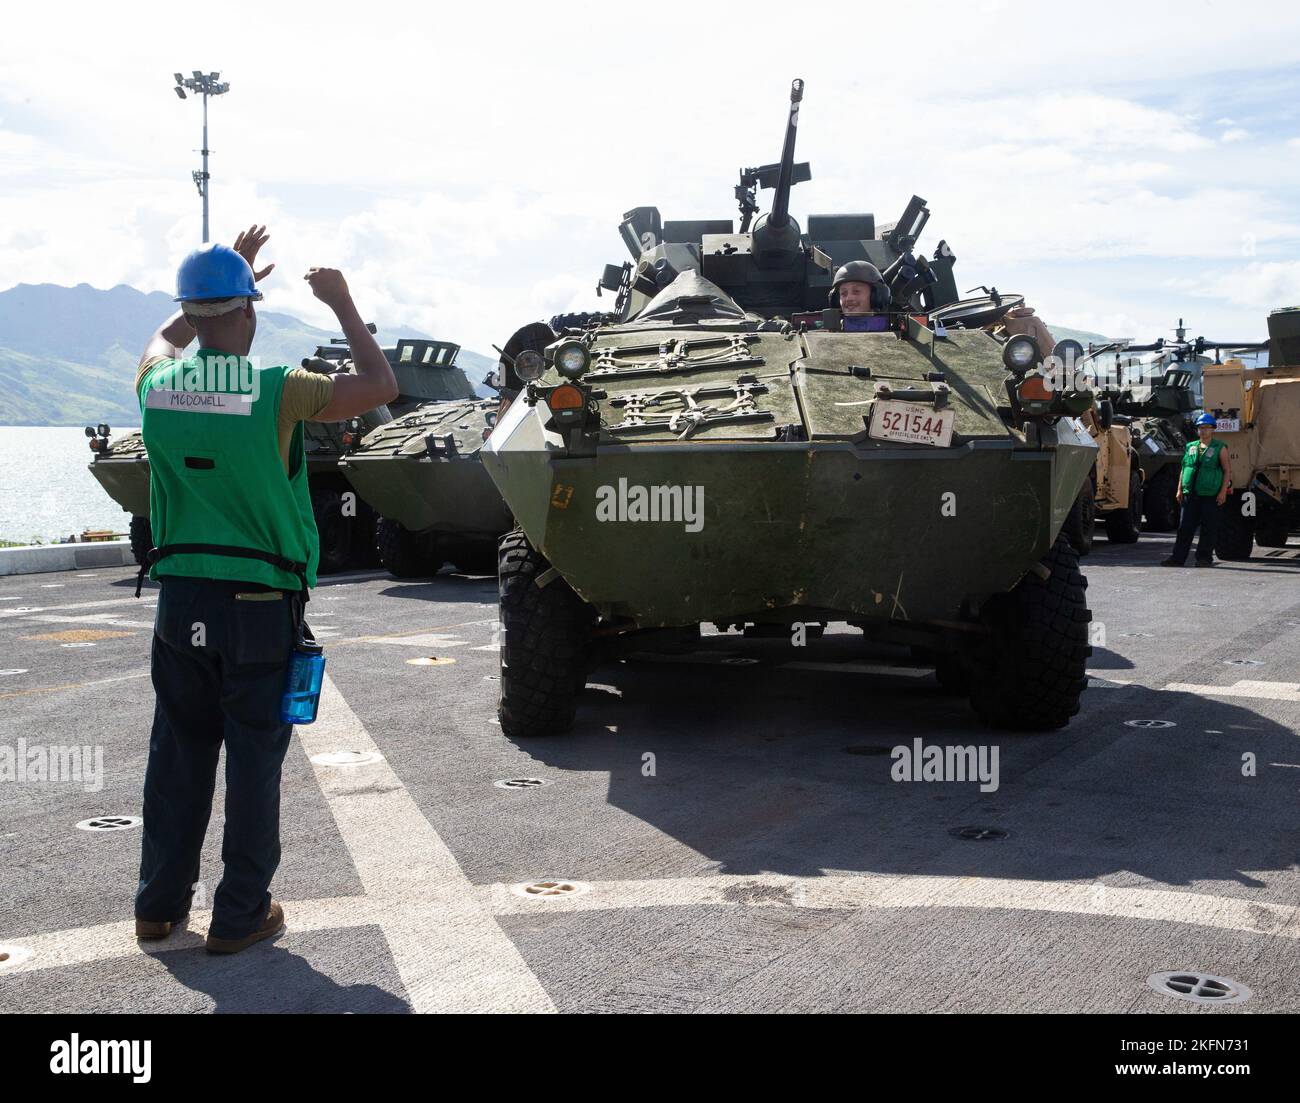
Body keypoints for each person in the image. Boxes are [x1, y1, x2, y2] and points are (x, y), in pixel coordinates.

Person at [133, 225, 398, 954]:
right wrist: (343, 305)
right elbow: (380, 387)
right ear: (249, 313)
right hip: (257, 606)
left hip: (179, 600)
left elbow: (163, 335)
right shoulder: (276, 389)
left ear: (196, 311)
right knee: (253, 756)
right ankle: (240, 911)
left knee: (179, 750)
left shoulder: (157, 384)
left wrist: (227, 278)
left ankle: (157, 907)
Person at [1162, 413, 1231, 567]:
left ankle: (1204, 559)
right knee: (1184, 529)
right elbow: (1185, 467)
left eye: (1207, 428)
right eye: (1201, 428)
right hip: (1190, 495)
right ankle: (1177, 558)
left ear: (1213, 429)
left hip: (1210, 495)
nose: (1204, 431)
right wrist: (1180, 489)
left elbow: (1227, 470)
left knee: (1208, 529)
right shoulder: (1191, 446)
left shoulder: (1220, 448)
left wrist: (1222, 492)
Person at [830, 260, 890, 332]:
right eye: (843, 293)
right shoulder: (825, 335)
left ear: (876, 296)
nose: (849, 298)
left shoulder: (895, 335)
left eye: (856, 291)